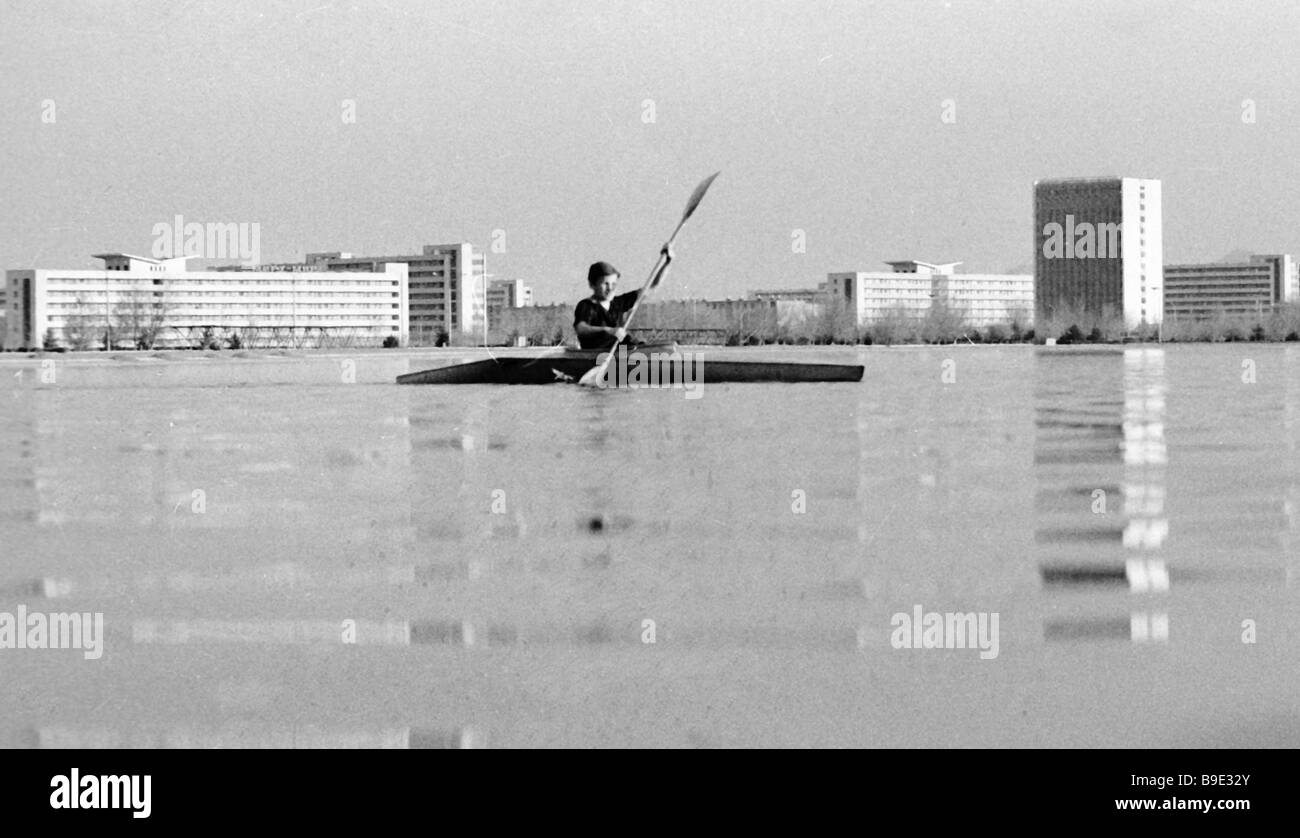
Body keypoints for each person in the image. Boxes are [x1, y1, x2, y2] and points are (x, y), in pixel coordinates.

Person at [573, 245, 673, 350]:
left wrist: (667, 263)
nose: (610, 288)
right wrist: (608, 330)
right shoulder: (586, 305)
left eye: (613, 284)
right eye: (605, 284)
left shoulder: (618, 303)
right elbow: (581, 328)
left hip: (623, 350)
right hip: (598, 353)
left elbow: (652, 286)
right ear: (592, 285)